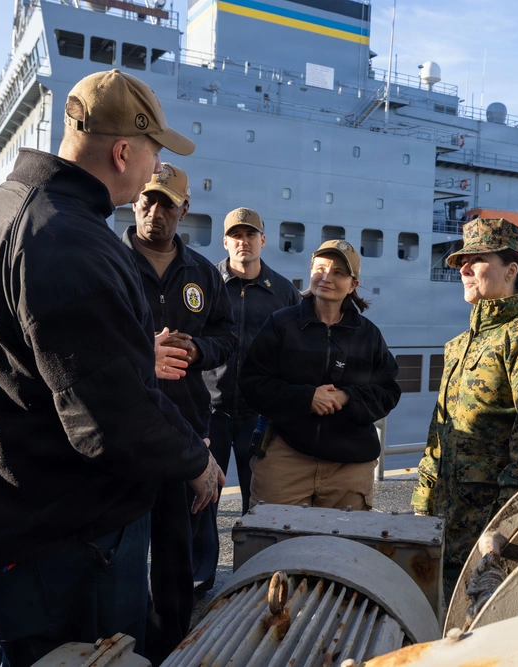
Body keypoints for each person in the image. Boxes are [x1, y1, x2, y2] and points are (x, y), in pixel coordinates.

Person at [0, 69, 225, 667]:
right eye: (154, 154)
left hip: (7, 508)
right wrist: (196, 459)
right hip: (72, 536)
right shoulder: (71, 239)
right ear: (124, 151)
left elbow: (26, 359)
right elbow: (110, 419)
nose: (155, 169)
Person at [410, 218, 518, 599]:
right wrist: (422, 506)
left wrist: (507, 527)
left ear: (511, 270)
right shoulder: (459, 345)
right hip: (444, 530)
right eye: (461, 262)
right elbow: (438, 436)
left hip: (492, 537)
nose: (464, 269)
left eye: (477, 259)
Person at [122, 163, 237, 664]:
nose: (155, 211)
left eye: (167, 203)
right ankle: (118, 640)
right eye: (148, 200)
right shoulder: (111, 261)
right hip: (122, 430)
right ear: (134, 203)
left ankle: (169, 649)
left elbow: (228, 336)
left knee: (175, 553)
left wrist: (198, 353)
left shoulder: (204, 274)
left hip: (184, 430)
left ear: (184, 211)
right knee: (120, 549)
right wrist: (139, 352)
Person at [239, 240, 400, 510]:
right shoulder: (281, 324)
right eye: (320, 269)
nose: (326, 277)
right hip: (286, 458)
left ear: (353, 285)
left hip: (348, 465)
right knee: (277, 548)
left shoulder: (368, 335)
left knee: (344, 550)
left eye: (338, 272)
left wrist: (348, 396)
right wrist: (306, 397)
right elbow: (252, 383)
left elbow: (388, 390)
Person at [198, 207, 298, 591]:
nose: (243, 241)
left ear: (262, 241)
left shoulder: (284, 292)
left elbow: (293, 350)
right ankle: (201, 576)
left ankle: (256, 576)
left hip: (259, 415)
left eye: (250, 234)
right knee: (203, 497)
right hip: (211, 411)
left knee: (260, 502)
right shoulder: (206, 282)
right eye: (236, 235)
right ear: (225, 242)